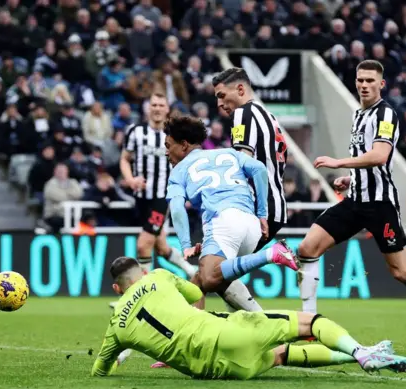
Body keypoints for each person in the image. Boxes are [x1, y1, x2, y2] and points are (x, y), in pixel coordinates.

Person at [297, 60, 406, 347]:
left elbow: (380, 156)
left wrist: (337, 162)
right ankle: (308, 325)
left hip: (380, 205)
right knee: (307, 248)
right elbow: (368, 162)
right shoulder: (359, 114)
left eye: (370, 80)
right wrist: (350, 179)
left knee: (401, 272)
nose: (364, 85)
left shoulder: (386, 114)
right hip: (355, 200)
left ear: (382, 84)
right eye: (360, 80)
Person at [91, 257, 406, 379]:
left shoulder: (115, 325)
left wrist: (114, 357)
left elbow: (100, 369)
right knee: (309, 323)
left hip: (212, 371)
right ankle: (360, 353)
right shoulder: (159, 275)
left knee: (280, 356)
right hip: (224, 334)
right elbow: (194, 296)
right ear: (143, 272)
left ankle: (360, 355)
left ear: (117, 288)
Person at [164, 115, 298, 311]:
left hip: (224, 222)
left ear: (184, 145)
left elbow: (176, 209)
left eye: (168, 146)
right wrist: (262, 214)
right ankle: (260, 321)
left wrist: (185, 245)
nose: (166, 152)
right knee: (199, 282)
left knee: (209, 277)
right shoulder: (229, 153)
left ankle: (272, 254)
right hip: (250, 225)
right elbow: (259, 169)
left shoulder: (178, 171)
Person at [118, 93, 196, 278]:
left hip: (163, 197)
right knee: (161, 247)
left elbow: (185, 165)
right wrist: (130, 180)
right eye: (154, 104)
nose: (157, 108)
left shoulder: (175, 136)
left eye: (161, 105)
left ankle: (147, 293)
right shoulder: (135, 131)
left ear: (167, 109)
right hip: (142, 198)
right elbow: (124, 159)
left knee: (143, 245)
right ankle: (192, 272)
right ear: (148, 108)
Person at [212, 68, 288, 250]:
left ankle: (272, 255)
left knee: (213, 270)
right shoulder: (268, 116)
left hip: (256, 208)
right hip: (275, 205)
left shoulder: (242, 114)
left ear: (240, 90)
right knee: (222, 272)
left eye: (222, 95)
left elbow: (241, 164)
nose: (219, 103)